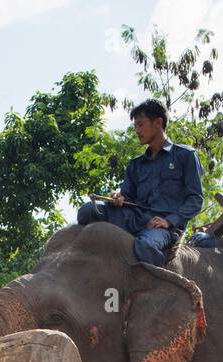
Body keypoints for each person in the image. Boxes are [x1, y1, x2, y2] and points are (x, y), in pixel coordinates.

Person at [76, 99, 204, 266]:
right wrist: (118, 197)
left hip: (164, 226)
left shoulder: (185, 156)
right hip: (135, 218)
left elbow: (195, 200)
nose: (137, 131)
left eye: (140, 125)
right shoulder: (136, 164)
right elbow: (127, 196)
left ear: (158, 123)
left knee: (146, 246)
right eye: (135, 126)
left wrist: (169, 220)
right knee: (87, 210)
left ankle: (156, 286)